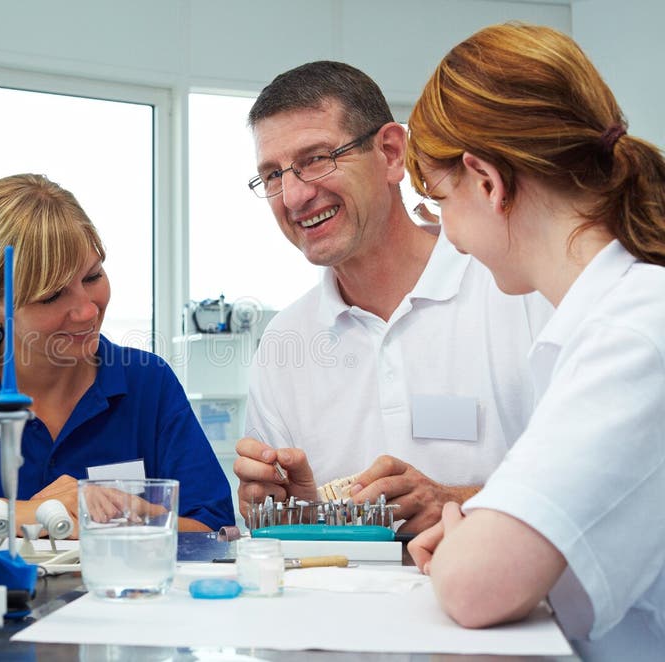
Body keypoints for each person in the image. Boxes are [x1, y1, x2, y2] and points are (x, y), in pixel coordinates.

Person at [405, 23, 665, 659]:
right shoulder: (605, 318)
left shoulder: (635, 328)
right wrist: (486, 526)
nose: (447, 235)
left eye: (439, 200)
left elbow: (474, 587)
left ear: (487, 181)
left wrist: (465, 534)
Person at [233, 61, 551, 534]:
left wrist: (456, 506)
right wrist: (298, 517)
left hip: (512, 603)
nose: (294, 196)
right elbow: (285, 548)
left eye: (317, 158)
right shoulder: (284, 342)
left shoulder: (518, 290)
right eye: (273, 175)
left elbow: (610, 483)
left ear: (390, 153)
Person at [0, 174, 234, 535]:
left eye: (92, 277)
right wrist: (39, 513)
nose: (88, 311)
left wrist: (133, 518)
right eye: (52, 296)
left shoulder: (147, 383)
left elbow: (214, 527)